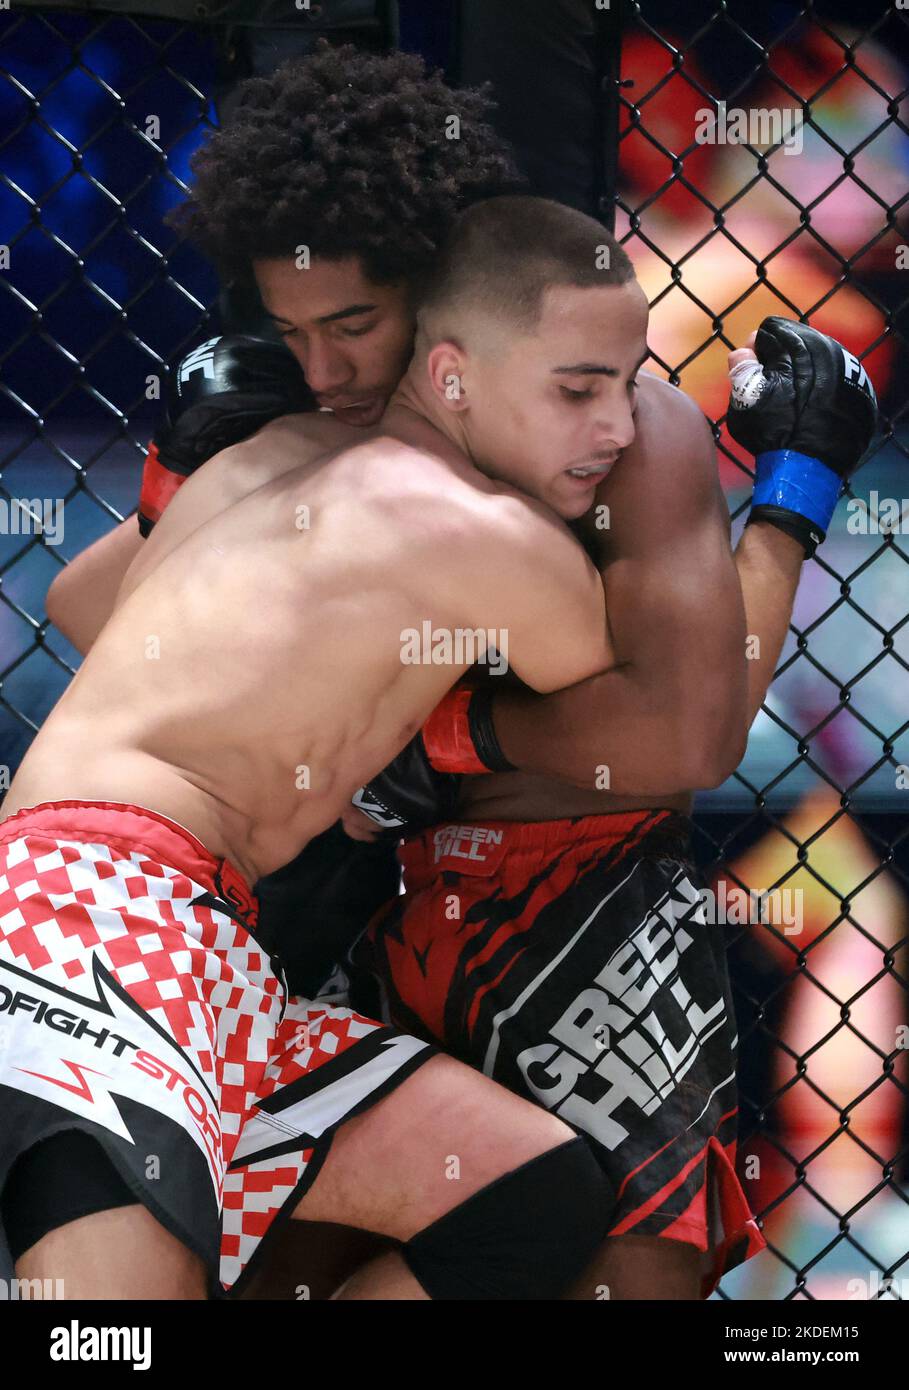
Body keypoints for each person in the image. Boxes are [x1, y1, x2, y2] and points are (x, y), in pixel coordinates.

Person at [38, 46, 877, 1297]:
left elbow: (690, 721)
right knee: (293, 1266)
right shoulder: (320, 425)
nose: (321, 366)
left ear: (436, 299)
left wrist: (790, 505)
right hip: (386, 899)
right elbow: (92, 607)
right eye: (293, 331)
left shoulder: (621, 428)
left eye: (353, 327)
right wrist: (183, 470)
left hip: (588, 896)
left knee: (613, 1262)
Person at [0, 195, 676, 1304]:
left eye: (349, 327)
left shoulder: (273, 453)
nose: (320, 369)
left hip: (191, 929)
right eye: (579, 390)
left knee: (527, 1193)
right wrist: (789, 505)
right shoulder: (484, 534)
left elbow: (85, 603)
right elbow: (669, 725)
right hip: (105, 914)